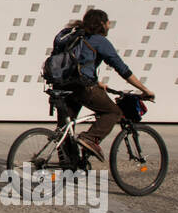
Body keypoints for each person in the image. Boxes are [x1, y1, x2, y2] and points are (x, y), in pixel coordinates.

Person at [63, 9, 155, 161]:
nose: (109, 26)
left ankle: (69, 166)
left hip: (62, 86)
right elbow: (122, 69)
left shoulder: (75, 36)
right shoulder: (99, 41)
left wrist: (98, 82)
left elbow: (76, 64)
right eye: (108, 23)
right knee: (114, 112)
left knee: (66, 130)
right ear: (101, 24)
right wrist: (144, 89)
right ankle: (90, 138)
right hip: (83, 88)